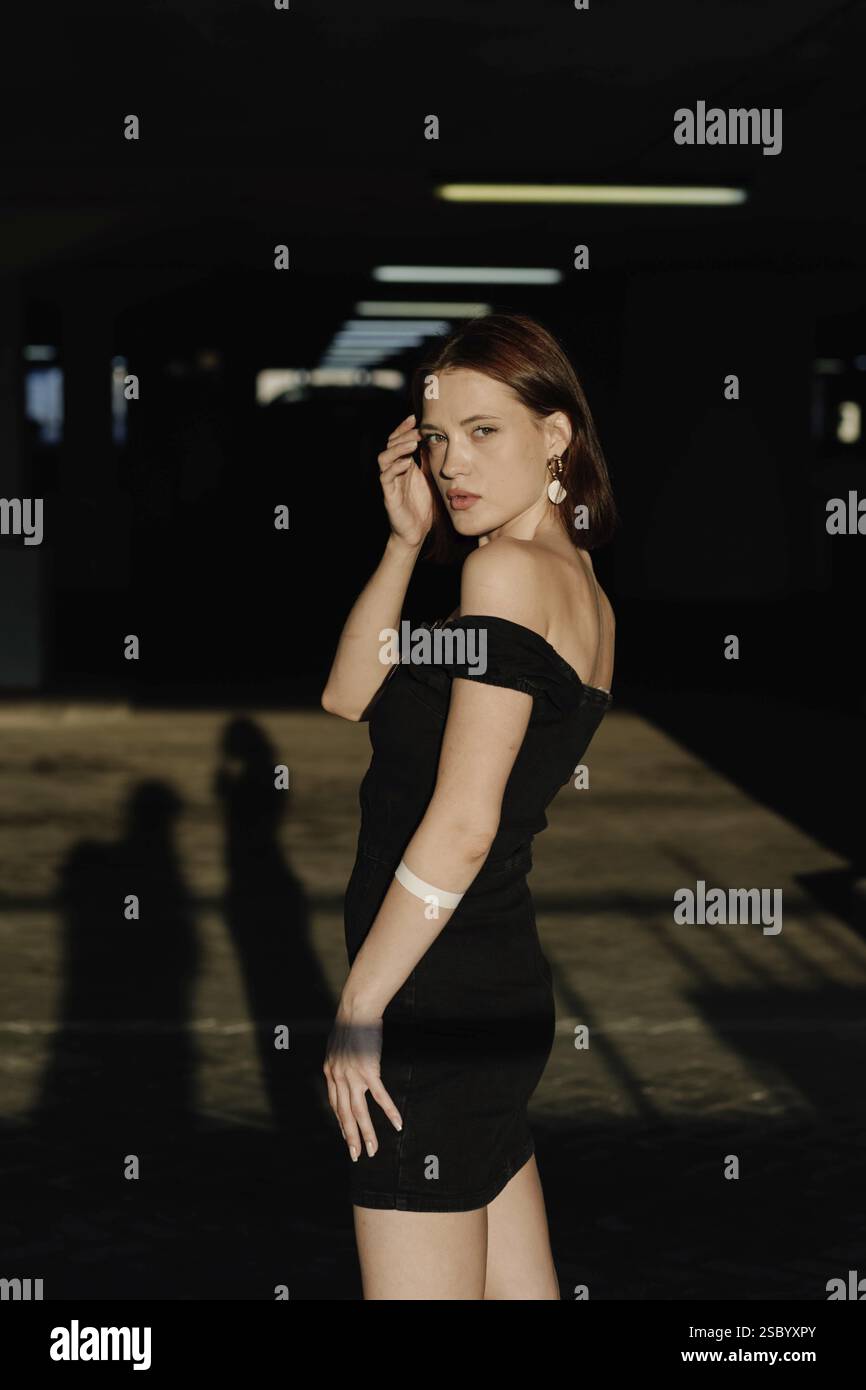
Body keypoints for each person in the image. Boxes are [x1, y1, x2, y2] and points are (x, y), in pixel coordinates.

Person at [322, 312, 617, 1299]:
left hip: (429, 1001)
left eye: (485, 430)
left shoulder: (502, 578)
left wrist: (362, 1006)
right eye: (438, 434)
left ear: (553, 437)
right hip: (490, 991)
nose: (451, 460)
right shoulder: (569, 586)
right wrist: (403, 544)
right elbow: (350, 693)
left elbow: (462, 820)